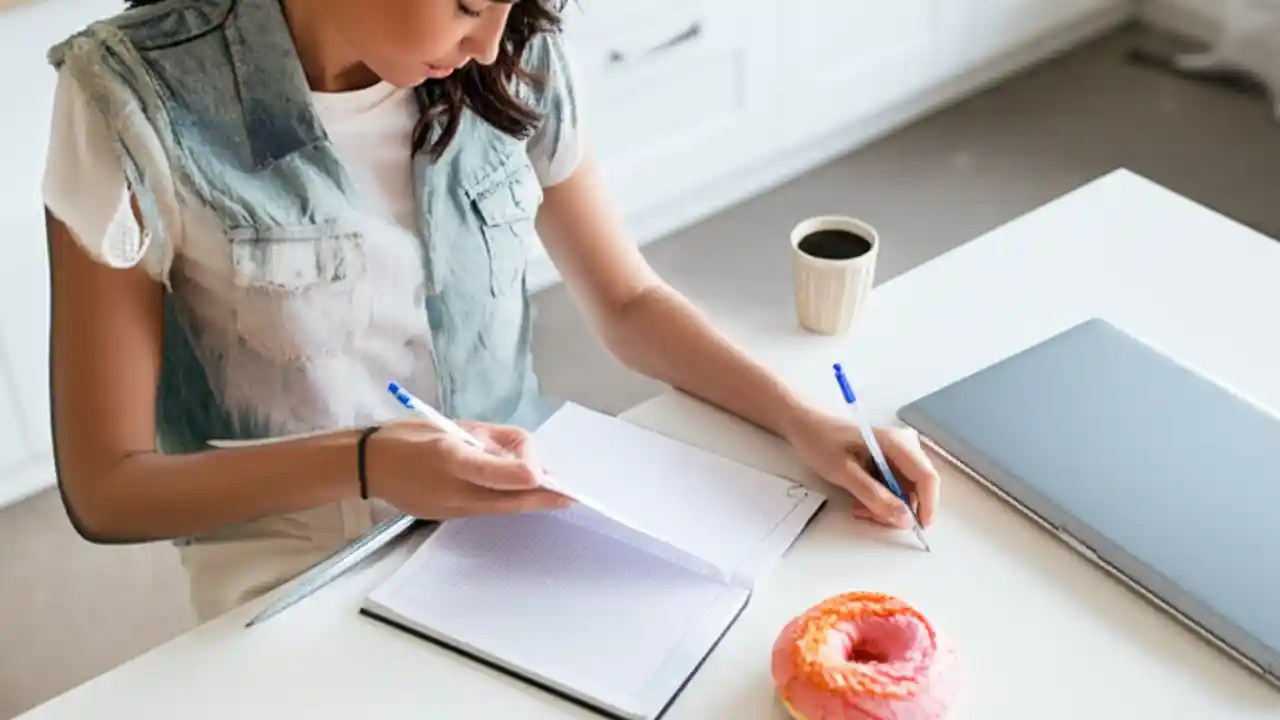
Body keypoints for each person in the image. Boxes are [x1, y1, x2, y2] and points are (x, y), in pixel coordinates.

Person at [42, 0, 942, 621]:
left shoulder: (514, 48)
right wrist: (370, 462)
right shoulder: (127, 100)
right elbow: (107, 486)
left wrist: (800, 417)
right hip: (291, 563)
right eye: (470, 3)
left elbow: (627, 300)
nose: (488, 45)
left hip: (519, 514)